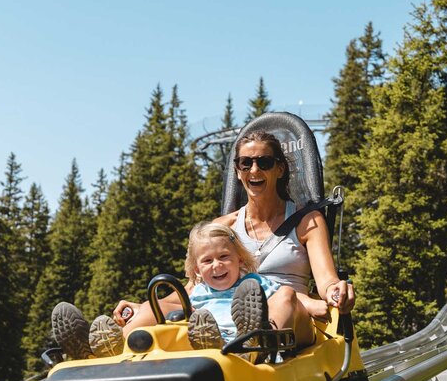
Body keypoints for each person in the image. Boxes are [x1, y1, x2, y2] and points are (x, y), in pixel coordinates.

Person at [111, 129, 355, 337]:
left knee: (284, 299)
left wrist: (337, 292)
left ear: (279, 169)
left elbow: (327, 281)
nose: (254, 170)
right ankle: (114, 354)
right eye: (245, 163)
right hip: (226, 314)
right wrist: (148, 306)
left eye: (264, 162)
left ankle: (258, 343)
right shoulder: (223, 227)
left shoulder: (307, 221)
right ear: (238, 171)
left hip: (294, 317)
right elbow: (194, 289)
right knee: (151, 313)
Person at [51, 221, 310, 359]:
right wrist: (140, 308)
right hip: (205, 340)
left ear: (240, 260)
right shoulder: (197, 292)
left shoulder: (252, 283)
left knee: (284, 294)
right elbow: (167, 306)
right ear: (196, 269)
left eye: (224, 257)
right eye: (207, 261)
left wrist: (328, 304)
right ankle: (103, 351)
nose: (217, 265)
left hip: (249, 343)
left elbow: (292, 300)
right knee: (162, 307)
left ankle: (258, 341)